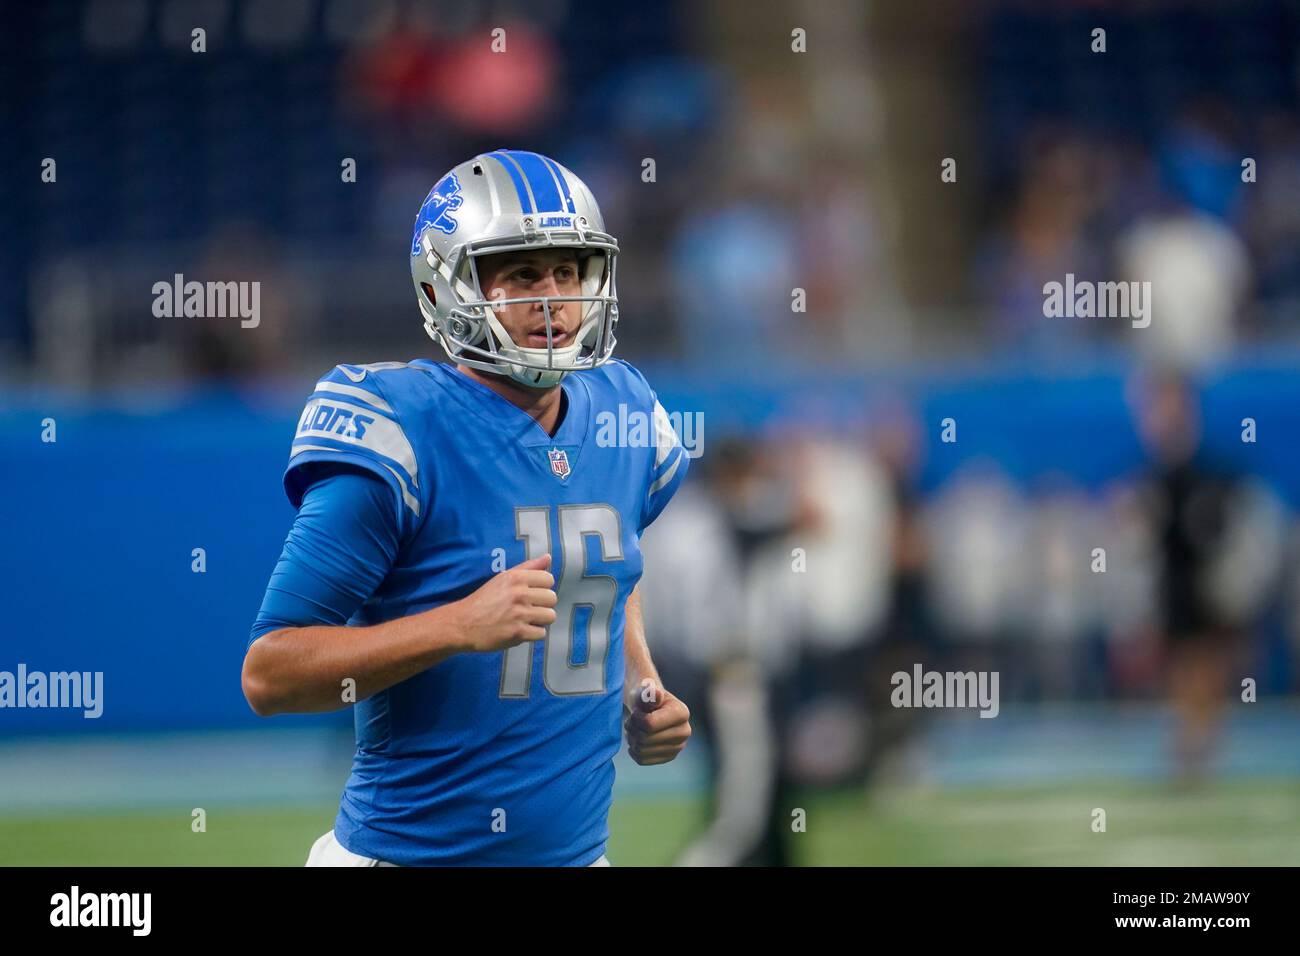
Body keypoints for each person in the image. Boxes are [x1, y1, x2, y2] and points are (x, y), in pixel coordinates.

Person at [241, 150, 692, 866]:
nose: (552, 299)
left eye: (567, 272)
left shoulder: (625, 409)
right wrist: (456, 625)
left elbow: (610, 560)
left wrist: (640, 680)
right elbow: (270, 673)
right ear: (446, 287)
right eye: (520, 274)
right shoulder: (402, 426)